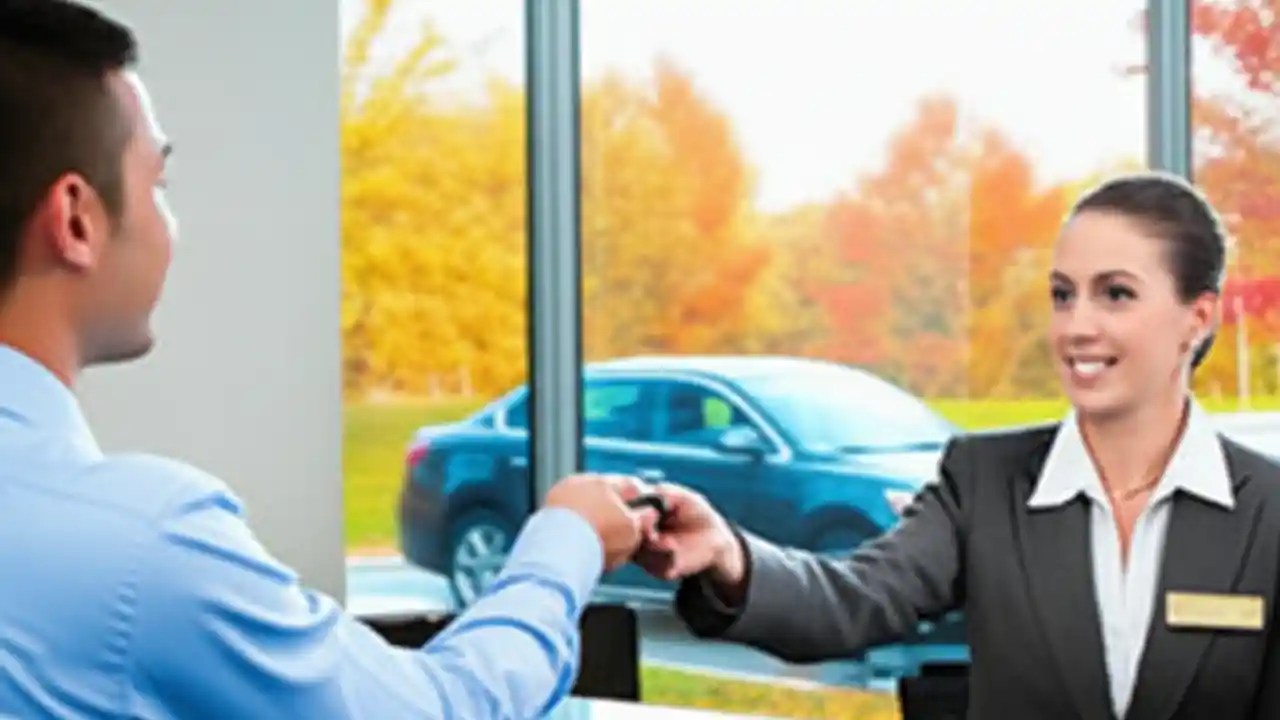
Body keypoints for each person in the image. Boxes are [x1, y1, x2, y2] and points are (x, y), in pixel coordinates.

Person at [0, 1, 657, 718]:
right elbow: (444, 710)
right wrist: (568, 540)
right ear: (75, 221)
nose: (168, 222)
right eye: (159, 184)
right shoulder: (137, 549)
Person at [637, 172, 1280, 719]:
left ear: (1197, 319)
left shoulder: (1270, 511)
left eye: (1115, 294)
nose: (1076, 327)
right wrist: (728, 555)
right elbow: (851, 599)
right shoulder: (983, 481)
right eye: (1063, 294)